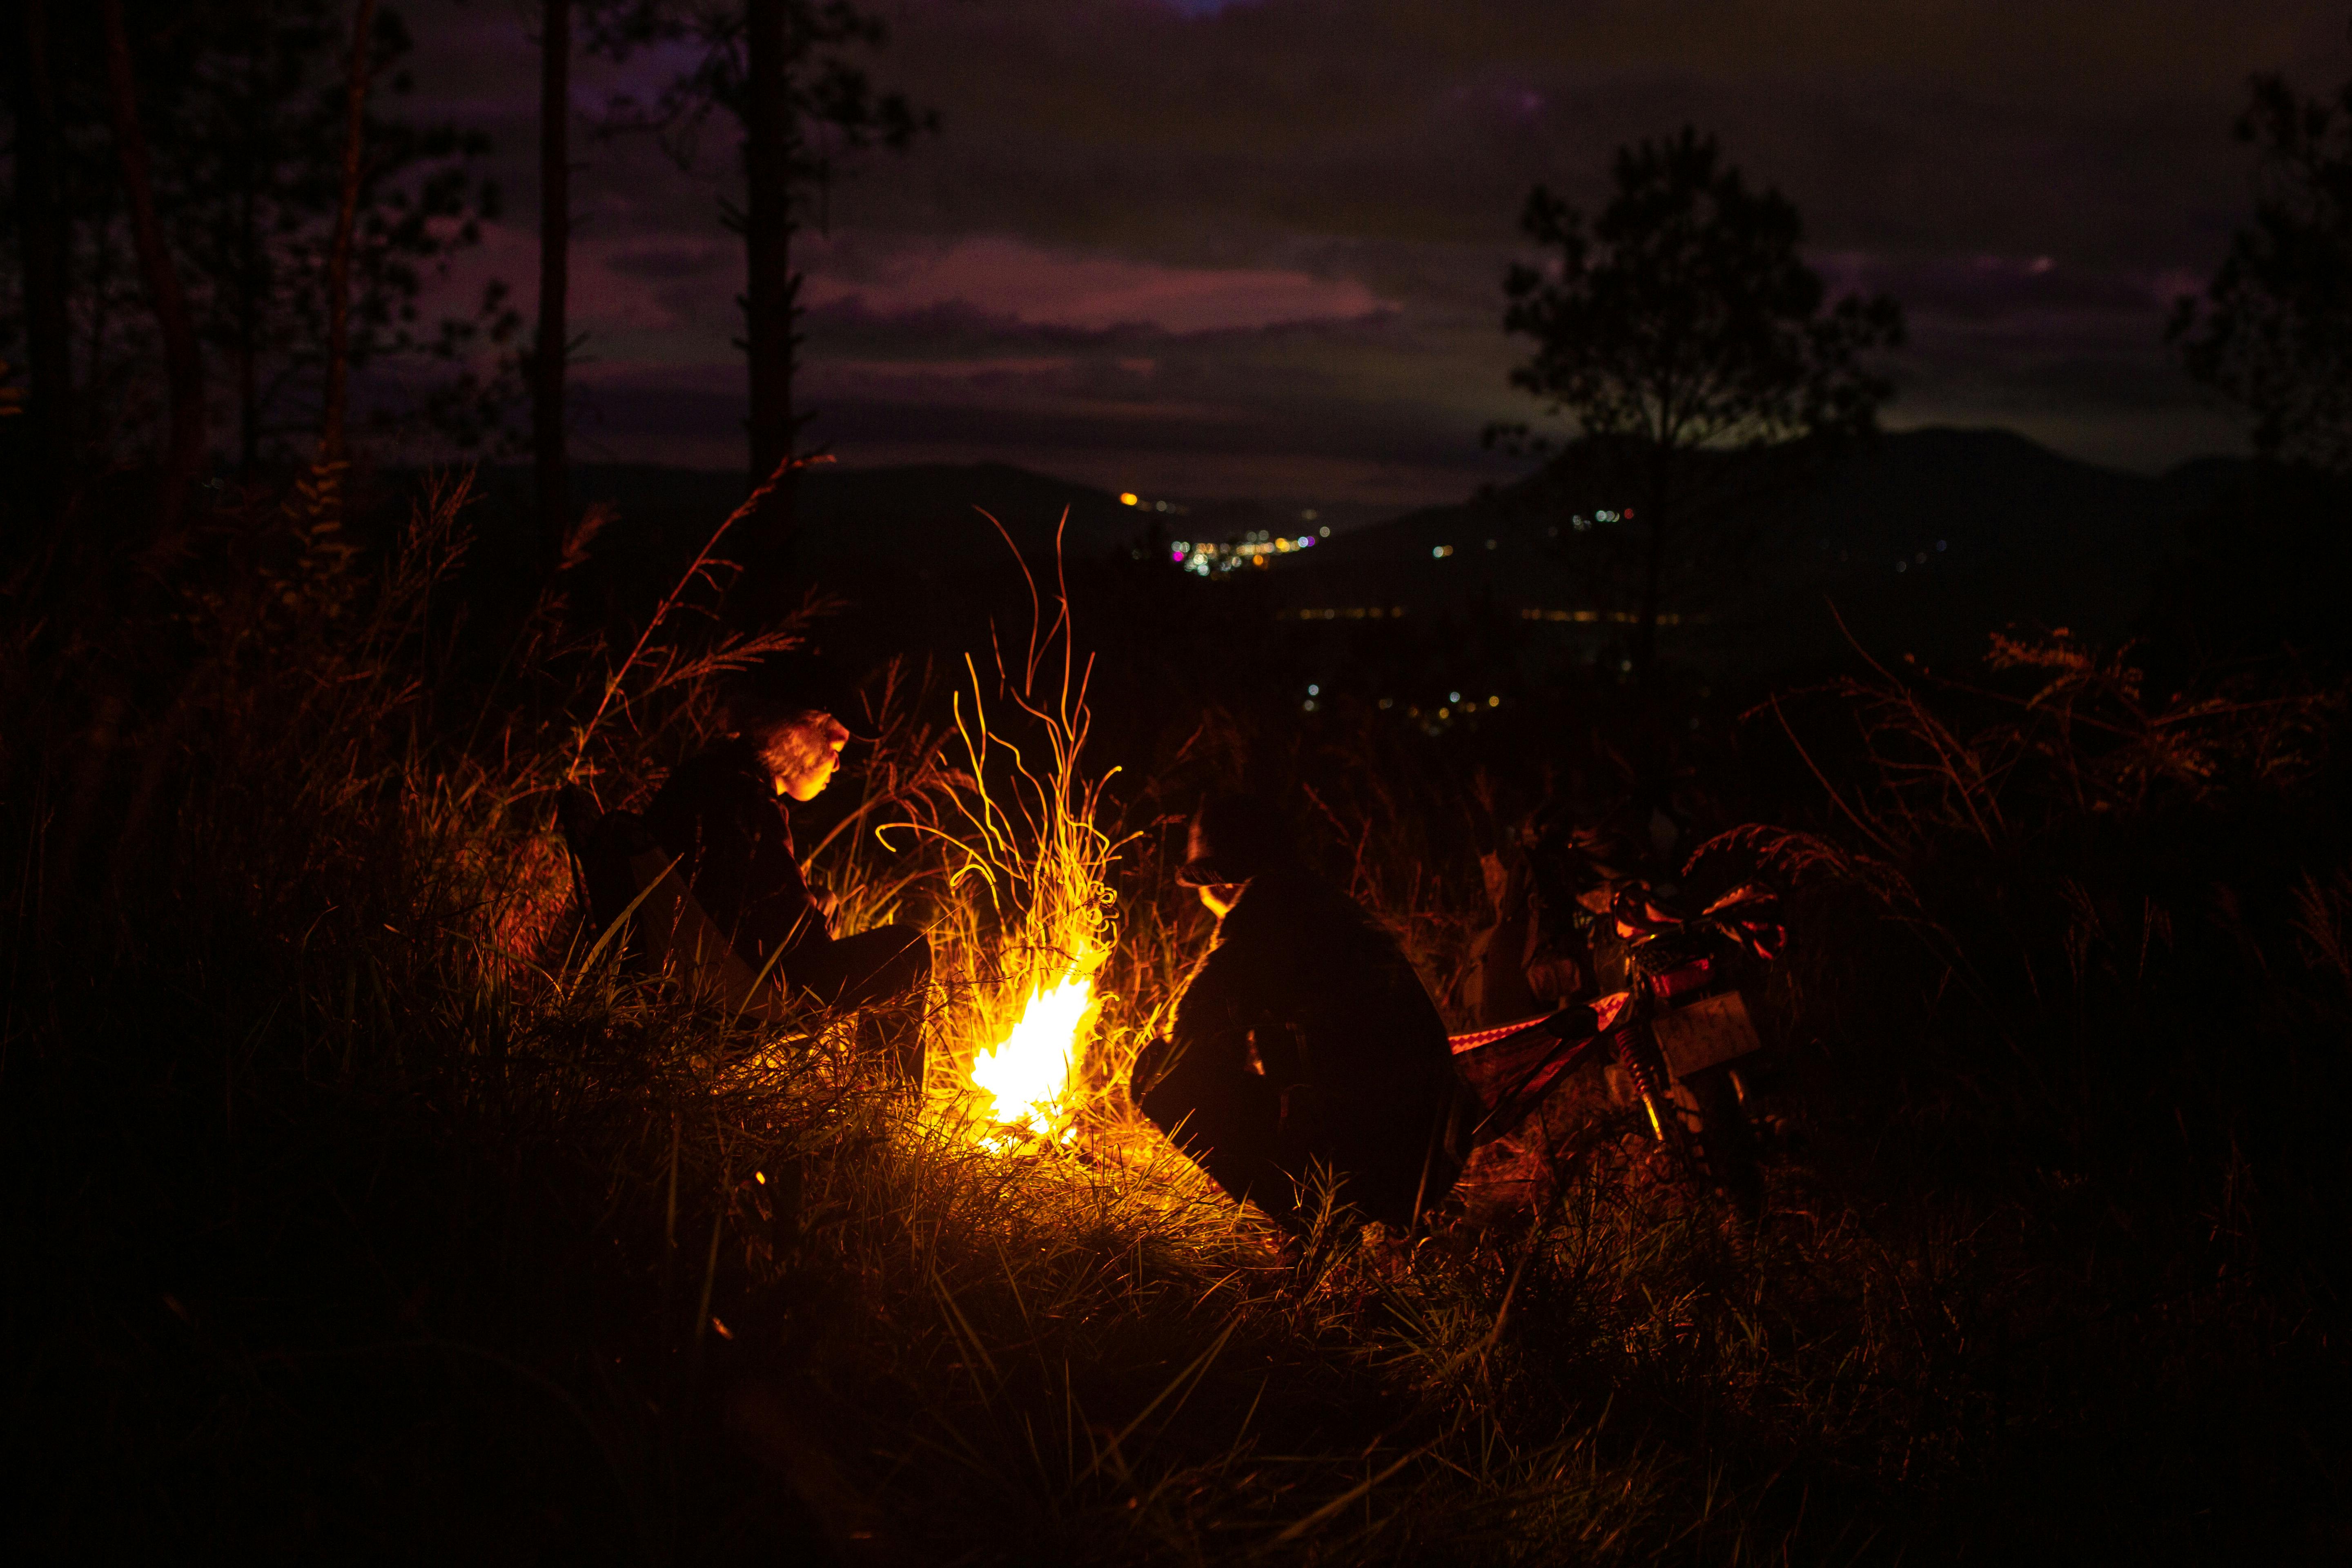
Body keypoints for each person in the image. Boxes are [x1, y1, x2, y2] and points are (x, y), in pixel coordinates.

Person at [1130, 795, 1469, 1233]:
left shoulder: (1260, 914)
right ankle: (1335, 1210)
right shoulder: (1329, 905)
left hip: (1372, 1161)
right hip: (1437, 1153)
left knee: (1159, 1076)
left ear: (1218, 879)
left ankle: (1310, 1223)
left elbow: (1190, 1032)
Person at [641, 654, 930, 1074]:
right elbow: (791, 942)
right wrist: (814, 920)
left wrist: (810, 906)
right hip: (725, 1003)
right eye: (835, 743)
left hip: (686, 983)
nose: (837, 763)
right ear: (797, 731)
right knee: (906, 953)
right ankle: (883, 1114)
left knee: (825, 902)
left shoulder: (707, 776)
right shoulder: (747, 802)